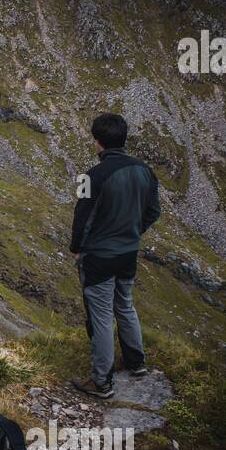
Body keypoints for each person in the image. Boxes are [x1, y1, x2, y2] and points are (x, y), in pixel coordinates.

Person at [68, 113, 161, 399]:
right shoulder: (145, 171)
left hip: (99, 257)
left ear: (97, 142)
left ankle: (102, 382)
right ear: (124, 138)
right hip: (128, 252)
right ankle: (137, 363)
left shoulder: (93, 177)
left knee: (101, 316)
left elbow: (82, 217)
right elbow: (153, 212)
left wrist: (77, 248)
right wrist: (133, 231)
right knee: (125, 305)